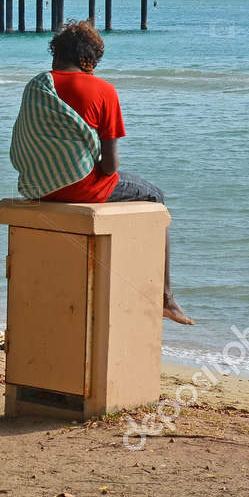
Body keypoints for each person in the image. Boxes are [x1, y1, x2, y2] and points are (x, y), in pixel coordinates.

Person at [36, 20, 193, 325]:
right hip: (79, 189)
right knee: (155, 196)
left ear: (56, 52)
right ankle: (166, 297)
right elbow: (110, 166)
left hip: (38, 185)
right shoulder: (102, 90)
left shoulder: (39, 85)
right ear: (89, 60)